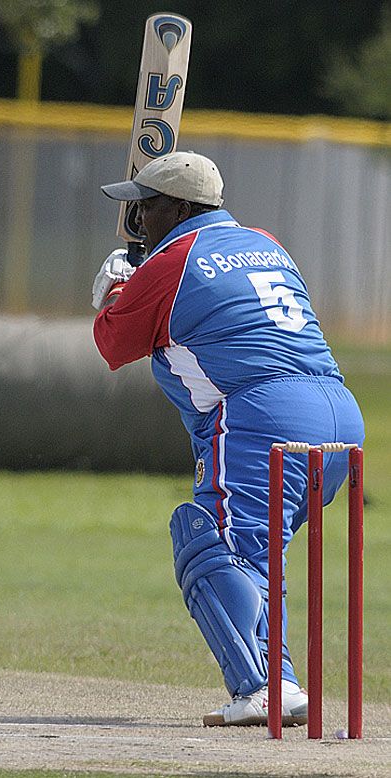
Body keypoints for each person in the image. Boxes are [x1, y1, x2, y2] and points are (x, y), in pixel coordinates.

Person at [91, 151, 364, 727]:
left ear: (180, 208)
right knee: (258, 558)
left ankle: (263, 687)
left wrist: (117, 288)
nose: (138, 218)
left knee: (210, 543)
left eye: (147, 205)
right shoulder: (265, 243)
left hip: (261, 416)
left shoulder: (172, 262)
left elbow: (114, 344)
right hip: (340, 416)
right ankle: (279, 681)